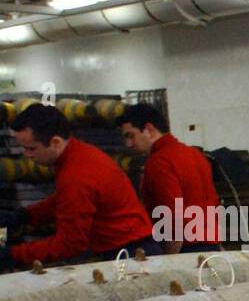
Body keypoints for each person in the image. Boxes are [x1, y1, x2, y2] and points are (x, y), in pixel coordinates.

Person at [1, 104, 153, 266]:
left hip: (130, 256)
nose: (26, 155)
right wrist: (25, 215)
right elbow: (65, 200)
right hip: (133, 247)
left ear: (56, 142)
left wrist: (12, 255)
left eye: (31, 149)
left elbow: (70, 244)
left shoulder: (76, 175)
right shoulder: (78, 154)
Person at [117, 102, 221, 253]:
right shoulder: (195, 154)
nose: (128, 144)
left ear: (149, 130)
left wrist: (169, 261)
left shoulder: (159, 162)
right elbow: (213, 203)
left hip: (185, 250)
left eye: (131, 136)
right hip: (210, 244)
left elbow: (172, 217)